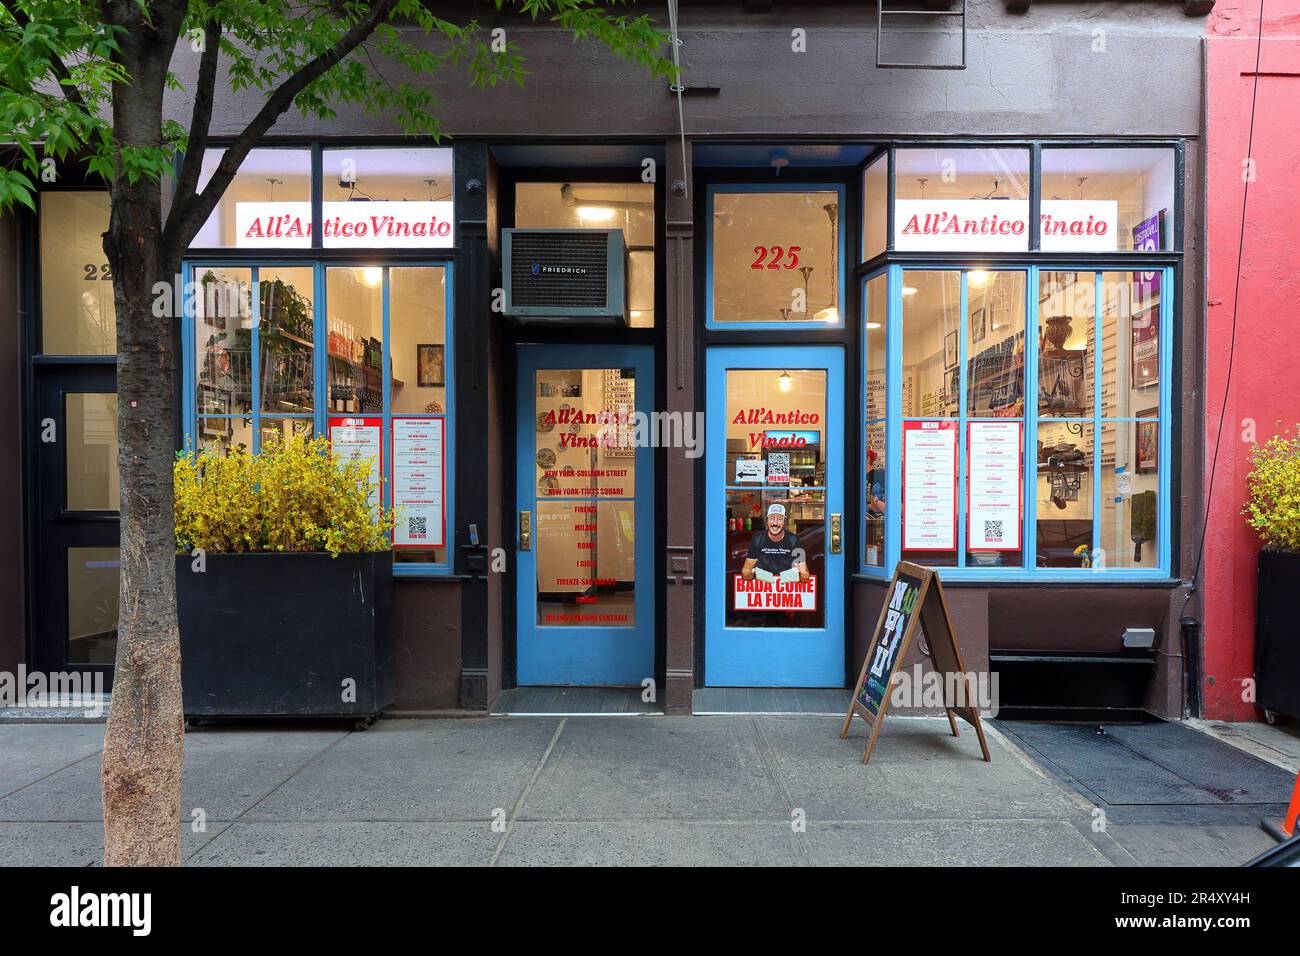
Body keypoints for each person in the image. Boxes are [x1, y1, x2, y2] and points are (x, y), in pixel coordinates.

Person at [742, 503, 810, 582]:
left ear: (784, 521)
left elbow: (805, 577)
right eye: (772, 518)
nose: (775, 523)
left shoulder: (793, 540)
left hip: (787, 591)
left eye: (779, 519)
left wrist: (800, 573)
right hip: (763, 589)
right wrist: (762, 576)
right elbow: (745, 573)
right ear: (767, 520)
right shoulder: (758, 539)